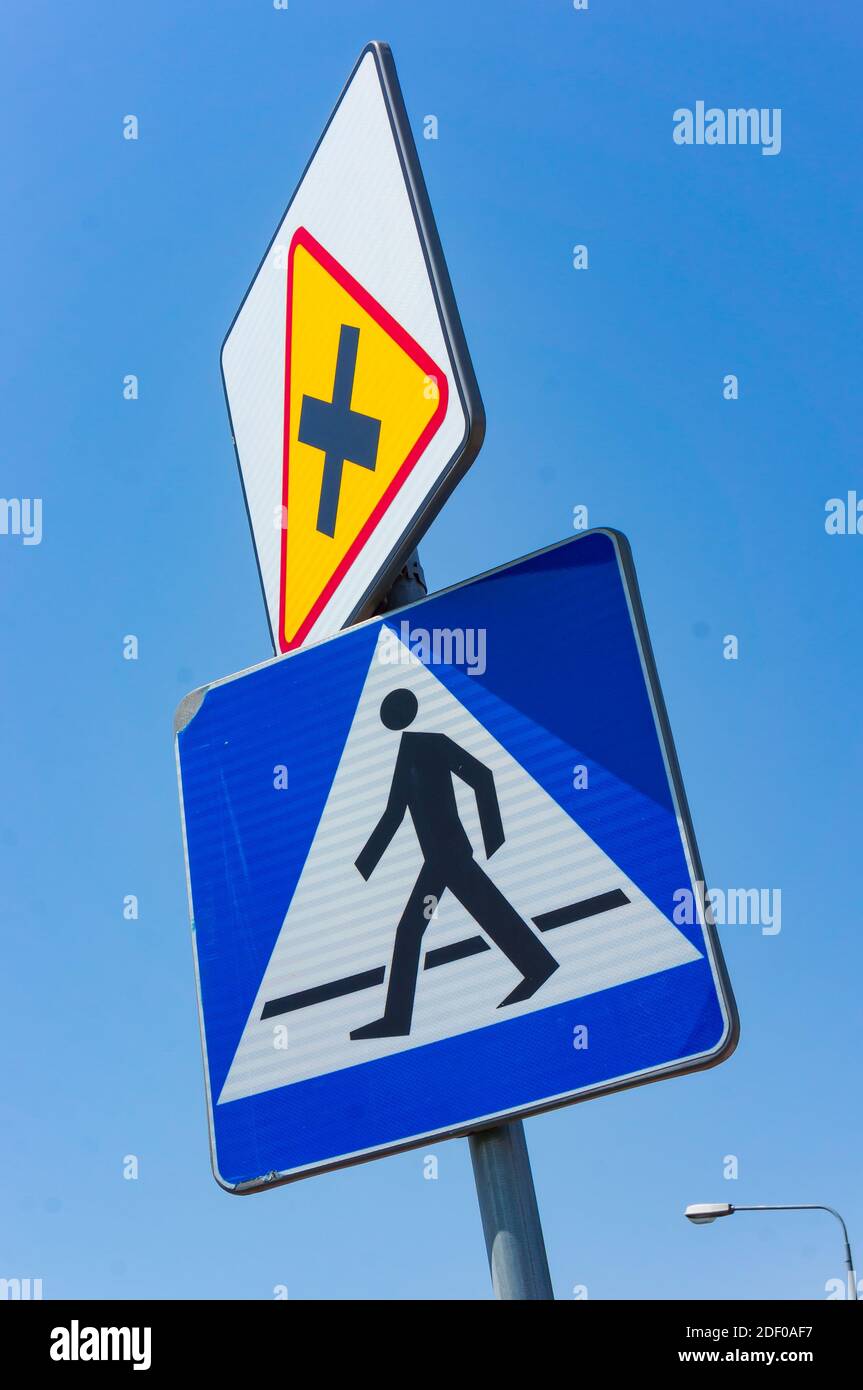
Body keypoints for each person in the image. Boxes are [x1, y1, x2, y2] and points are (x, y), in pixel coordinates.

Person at [350, 688, 558, 1039]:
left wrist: (494, 839)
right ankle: (537, 966)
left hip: (449, 853)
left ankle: (398, 1019)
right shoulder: (408, 752)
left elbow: (481, 777)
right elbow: (394, 814)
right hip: (440, 857)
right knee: (477, 914)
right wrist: (361, 869)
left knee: (417, 928)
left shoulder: (431, 744)